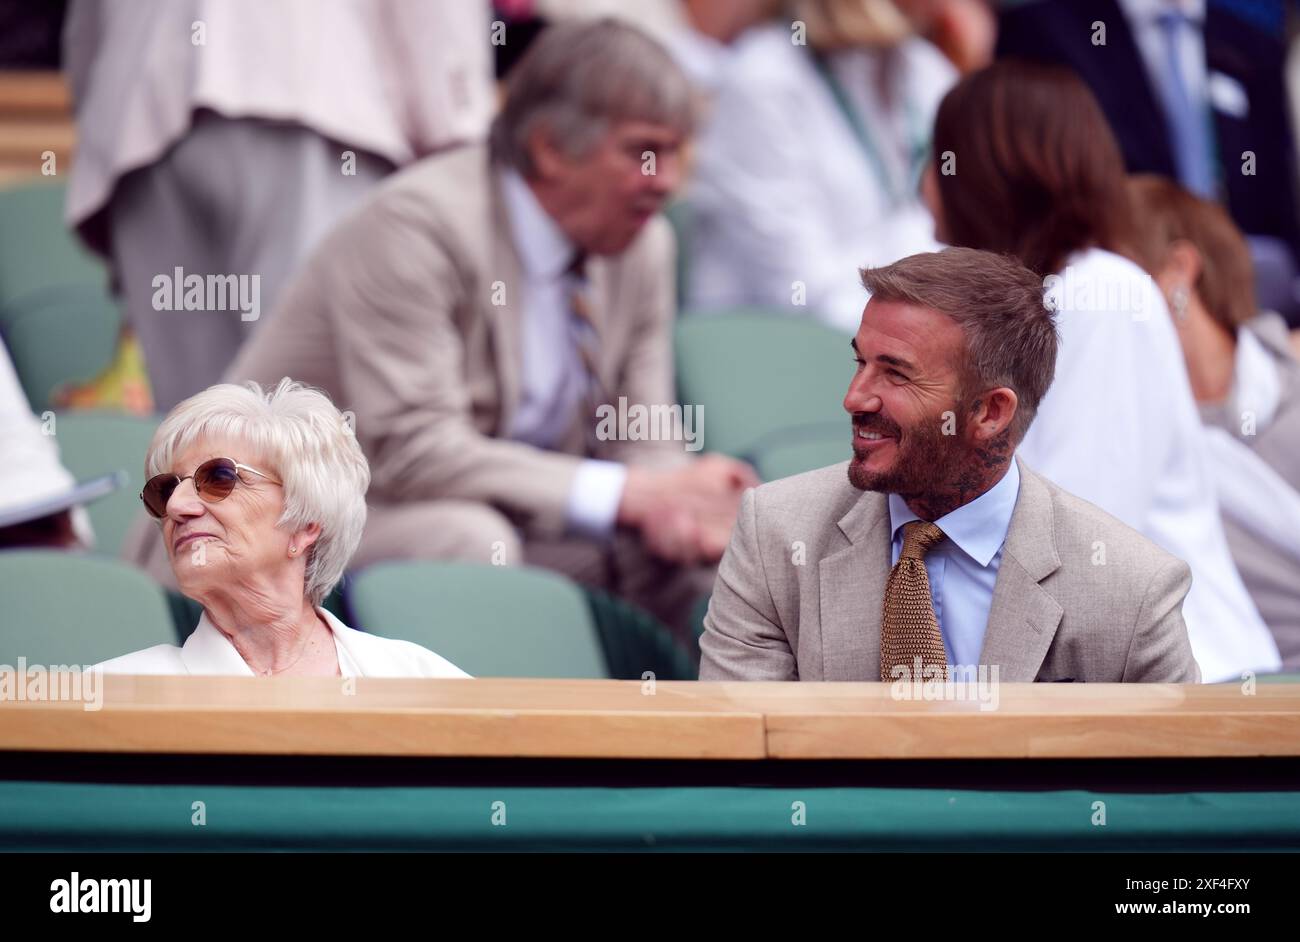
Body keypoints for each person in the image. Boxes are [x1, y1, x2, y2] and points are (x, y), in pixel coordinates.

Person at [204, 19, 756, 640]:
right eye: (643, 152)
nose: (668, 182)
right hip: (281, 520)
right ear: (551, 147)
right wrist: (632, 494)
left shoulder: (641, 243)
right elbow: (414, 452)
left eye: (678, 153)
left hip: (505, 525)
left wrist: (683, 503)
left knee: (723, 556)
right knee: (469, 540)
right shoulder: (417, 226)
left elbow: (642, 428)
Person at [920, 61, 1279, 681]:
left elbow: (1078, 526)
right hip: (1075, 673)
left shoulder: (1100, 293)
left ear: (993, 172)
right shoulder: (1026, 304)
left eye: (941, 157)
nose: (928, 183)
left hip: (1183, 683)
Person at [699, 248, 1200, 683]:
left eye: (896, 374)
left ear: (990, 412)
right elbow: (740, 762)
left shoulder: (1130, 590)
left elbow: (1170, 788)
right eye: (860, 363)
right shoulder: (777, 538)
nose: (854, 398)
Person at [63, 0, 496, 410]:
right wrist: (459, 140)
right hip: (301, 91)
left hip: (139, 120)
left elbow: (86, 28)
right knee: (317, 423)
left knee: (200, 431)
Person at [99, 380, 469, 677]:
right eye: (164, 491)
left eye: (218, 478)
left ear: (306, 523)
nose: (177, 507)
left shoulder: (419, 680)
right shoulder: (114, 692)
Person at [996, 0, 1300, 325]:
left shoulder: (1251, 41)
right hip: (1112, 301)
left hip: (1248, 307)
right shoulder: (1042, 30)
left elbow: (1279, 195)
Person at [685, 0, 957, 330]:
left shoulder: (921, 66)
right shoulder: (763, 80)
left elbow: (970, 242)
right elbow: (799, 292)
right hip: (787, 354)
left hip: (903, 343)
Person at [1128, 174, 1300, 670]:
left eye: (1117, 280)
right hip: (1254, 704)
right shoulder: (1132, 446)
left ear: (1179, 270)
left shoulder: (1286, 383)